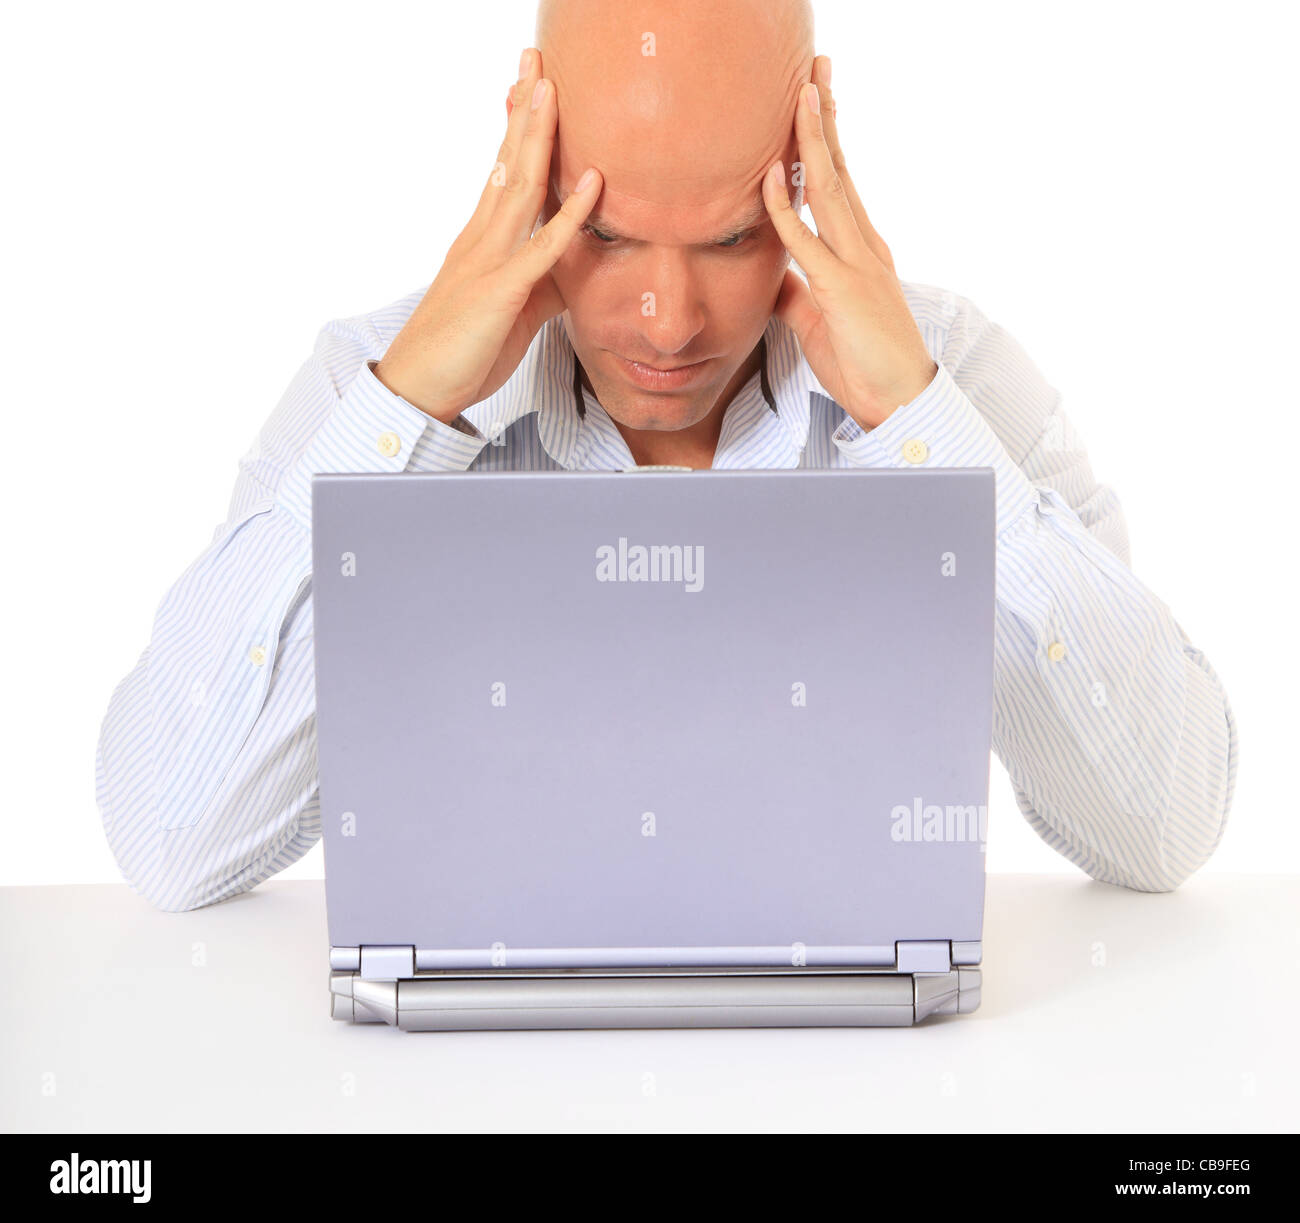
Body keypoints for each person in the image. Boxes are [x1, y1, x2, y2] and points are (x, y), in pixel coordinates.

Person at [96, 0, 1237, 911]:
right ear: (529, 167)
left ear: (806, 165)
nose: (667, 319)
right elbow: (167, 835)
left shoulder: (946, 375)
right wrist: (409, 410)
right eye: (604, 231)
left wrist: (925, 430)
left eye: (735, 235)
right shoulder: (375, 384)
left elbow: (1165, 824)